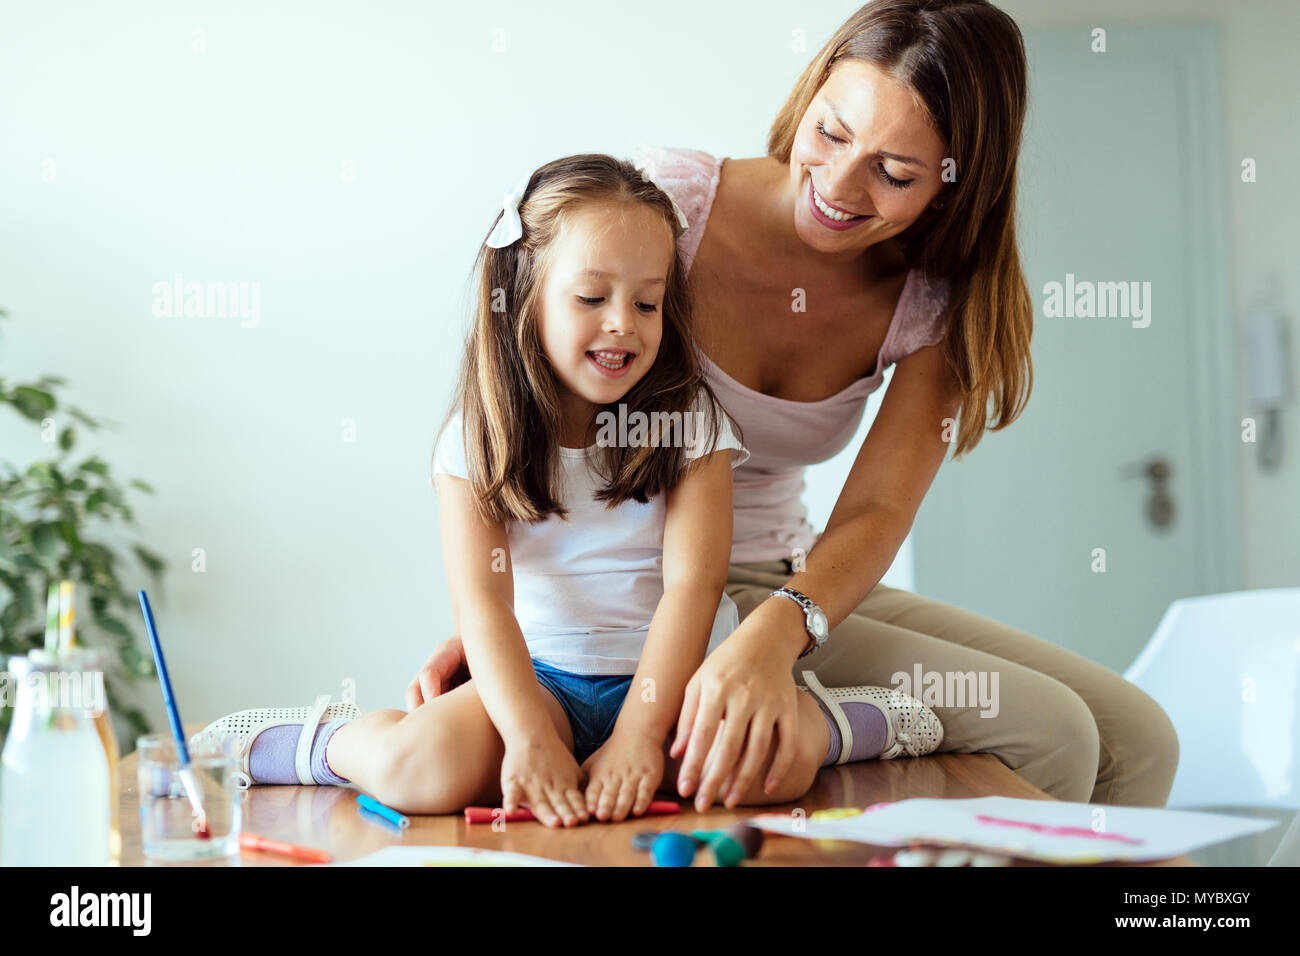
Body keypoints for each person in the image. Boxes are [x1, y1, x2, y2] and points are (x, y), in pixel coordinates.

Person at [407, 0, 1180, 812]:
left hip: (797, 582)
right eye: (833, 133)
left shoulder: (934, 301)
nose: (840, 187)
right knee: (1056, 732)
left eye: (895, 174)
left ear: (956, 188)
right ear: (810, 91)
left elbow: (878, 509)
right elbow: (527, 383)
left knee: (1139, 740)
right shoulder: (670, 212)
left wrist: (779, 634)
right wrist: (526, 619)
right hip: (670, 592)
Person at [197, 153, 942, 827]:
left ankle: (861, 720)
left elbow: (692, 586)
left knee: (758, 770)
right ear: (525, 297)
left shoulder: (689, 422)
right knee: (417, 771)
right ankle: (315, 741)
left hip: (675, 678)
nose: (624, 324)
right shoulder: (475, 435)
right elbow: (482, 607)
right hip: (543, 682)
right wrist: (526, 738)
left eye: (648, 303)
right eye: (592, 297)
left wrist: (640, 737)